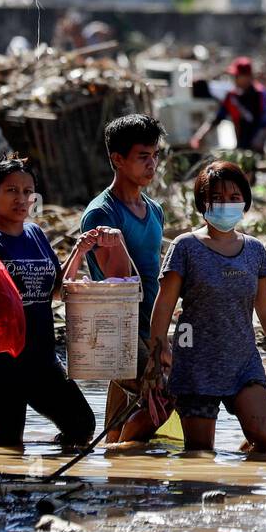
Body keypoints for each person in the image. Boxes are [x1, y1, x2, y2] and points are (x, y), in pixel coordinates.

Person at [0, 154, 120, 449]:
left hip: (41, 360)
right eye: (11, 191)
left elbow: (56, 290)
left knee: (81, 426)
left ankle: (51, 472)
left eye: (27, 192)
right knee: (6, 449)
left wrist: (80, 251)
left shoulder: (36, 234)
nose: (21, 199)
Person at [149, 161, 266, 453]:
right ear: (203, 203)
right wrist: (159, 348)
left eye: (234, 198)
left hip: (242, 360)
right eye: (217, 198)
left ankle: (242, 481)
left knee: (264, 438)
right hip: (196, 363)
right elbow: (165, 302)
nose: (226, 204)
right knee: (200, 451)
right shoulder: (185, 247)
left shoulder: (254, 250)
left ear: (245, 202)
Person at [80, 115, 167, 443]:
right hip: (117, 329)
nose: (152, 164)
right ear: (117, 159)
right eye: (143, 156)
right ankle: (125, 459)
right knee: (163, 395)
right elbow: (120, 285)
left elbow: (154, 273)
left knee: (119, 417)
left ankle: (114, 474)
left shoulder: (154, 210)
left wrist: (160, 334)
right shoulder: (102, 214)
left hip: (147, 325)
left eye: (155, 155)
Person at [190, 57, 266, 154]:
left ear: (248, 76)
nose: (234, 79)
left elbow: (265, 120)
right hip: (241, 147)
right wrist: (200, 135)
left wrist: (259, 139)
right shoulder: (232, 97)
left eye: (237, 76)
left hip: (257, 147)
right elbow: (217, 118)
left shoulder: (260, 94)